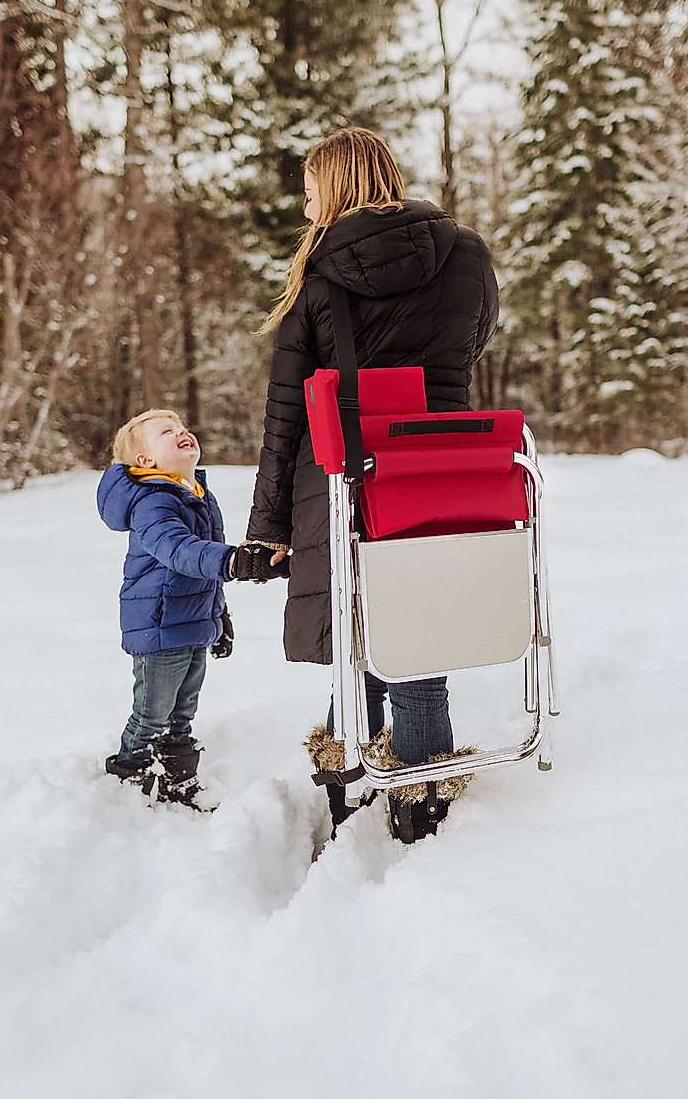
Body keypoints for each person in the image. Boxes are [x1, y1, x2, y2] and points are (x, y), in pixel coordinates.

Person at [244, 127, 499, 842]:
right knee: (418, 626)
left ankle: (346, 790)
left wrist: (268, 524)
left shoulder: (322, 274)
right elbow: (473, 341)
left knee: (360, 633)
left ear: (339, 185)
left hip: (344, 476)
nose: (305, 210)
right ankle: (421, 802)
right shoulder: (468, 253)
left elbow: (286, 410)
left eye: (310, 191)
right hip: (438, 462)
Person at [97, 408, 287, 806]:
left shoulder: (196, 495)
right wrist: (234, 561)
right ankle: (124, 786)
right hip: (159, 627)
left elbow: (201, 576)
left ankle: (177, 783)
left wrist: (219, 617)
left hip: (191, 625)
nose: (183, 433)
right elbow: (180, 552)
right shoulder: (152, 502)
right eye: (167, 431)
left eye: (182, 427)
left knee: (182, 714)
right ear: (145, 461)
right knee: (152, 715)